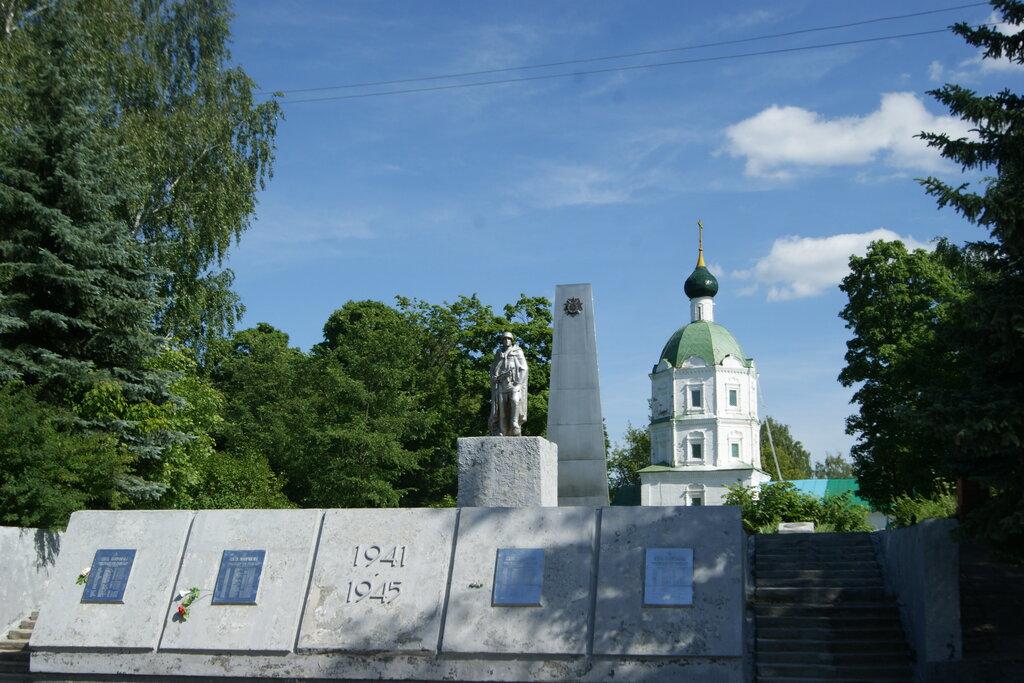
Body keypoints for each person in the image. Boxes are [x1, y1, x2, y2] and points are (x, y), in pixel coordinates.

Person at [488, 331, 528, 436]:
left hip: (514, 383)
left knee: (515, 400)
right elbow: (493, 369)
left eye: (509, 339)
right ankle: (502, 430)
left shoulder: (517, 351)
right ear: (502, 341)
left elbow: (524, 368)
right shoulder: (499, 353)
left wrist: (519, 383)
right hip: (502, 383)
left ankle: (515, 423)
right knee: (502, 409)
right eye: (505, 339)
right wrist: (494, 377)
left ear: (511, 340)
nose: (507, 340)